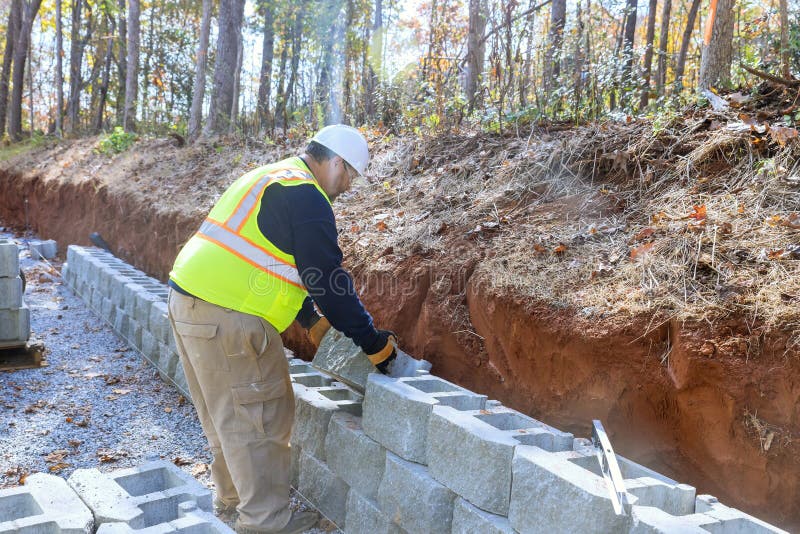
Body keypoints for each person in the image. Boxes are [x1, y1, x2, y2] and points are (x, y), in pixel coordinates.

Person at [167, 125, 397, 534]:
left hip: (189, 302)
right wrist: (375, 345)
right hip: (227, 316)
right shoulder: (308, 196)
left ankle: (234, 504)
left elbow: (264, 257)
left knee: (228, 415)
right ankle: (266, 524)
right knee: (263, 418)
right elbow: (329, 280)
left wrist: (307, 315)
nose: (347, 187)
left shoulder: (271, 177)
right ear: (336, 163)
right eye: (349, 177)